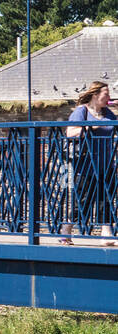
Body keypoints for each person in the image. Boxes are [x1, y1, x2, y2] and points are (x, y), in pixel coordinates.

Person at [62, 82, 117, 245]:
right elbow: (70, 132)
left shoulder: (109, 114)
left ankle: (106, 235)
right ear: (95, 95)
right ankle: (66, 230)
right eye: (106, 93)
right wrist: (91, 126)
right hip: (86, 164)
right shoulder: (82, 111)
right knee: (83, 201)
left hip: (107, 163)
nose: (109, 97)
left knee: (106, 198)